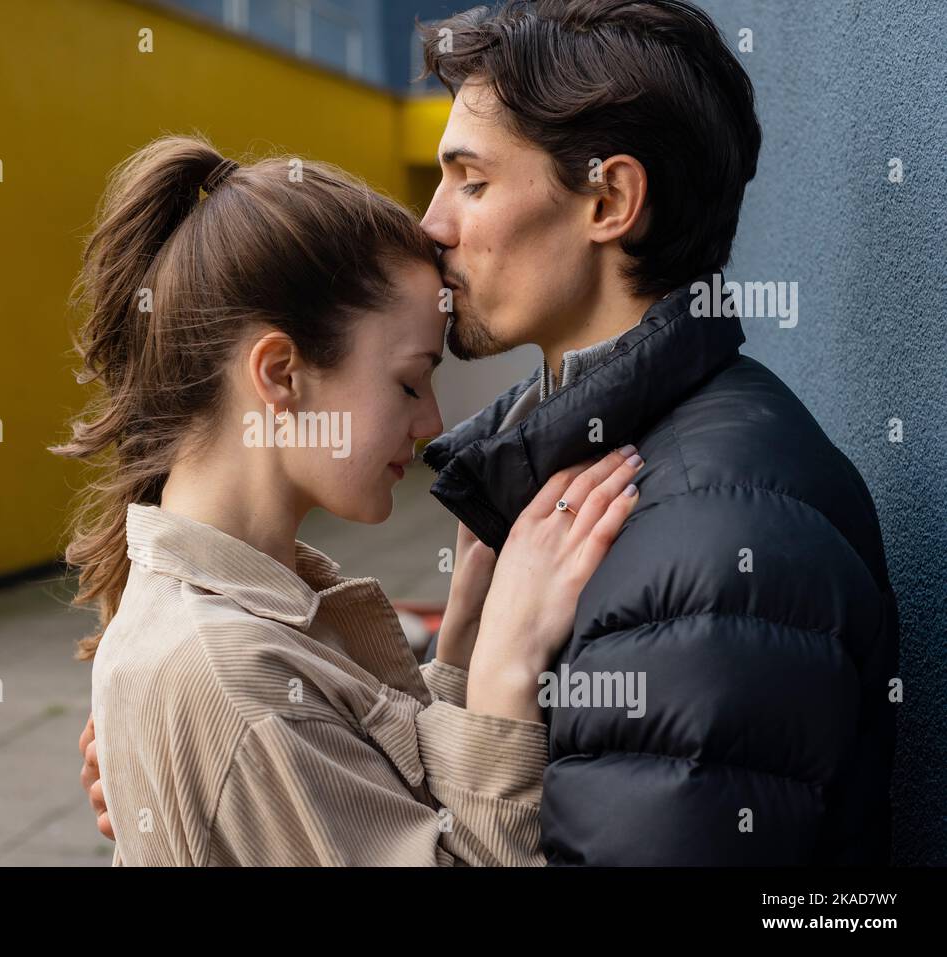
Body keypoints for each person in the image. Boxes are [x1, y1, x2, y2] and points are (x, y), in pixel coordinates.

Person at [82, 0, 899, 866]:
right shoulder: (575, 476)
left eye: (471, 181)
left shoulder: (715, 540)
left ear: (610, 200)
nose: (431, 224)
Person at [54, 134, 642, 865]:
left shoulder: (240, 625)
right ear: (280, 373)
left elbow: (382, 795)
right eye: (409, 381)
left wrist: (463, 639)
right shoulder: (235, 679)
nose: (431, 423)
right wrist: (508, 665)